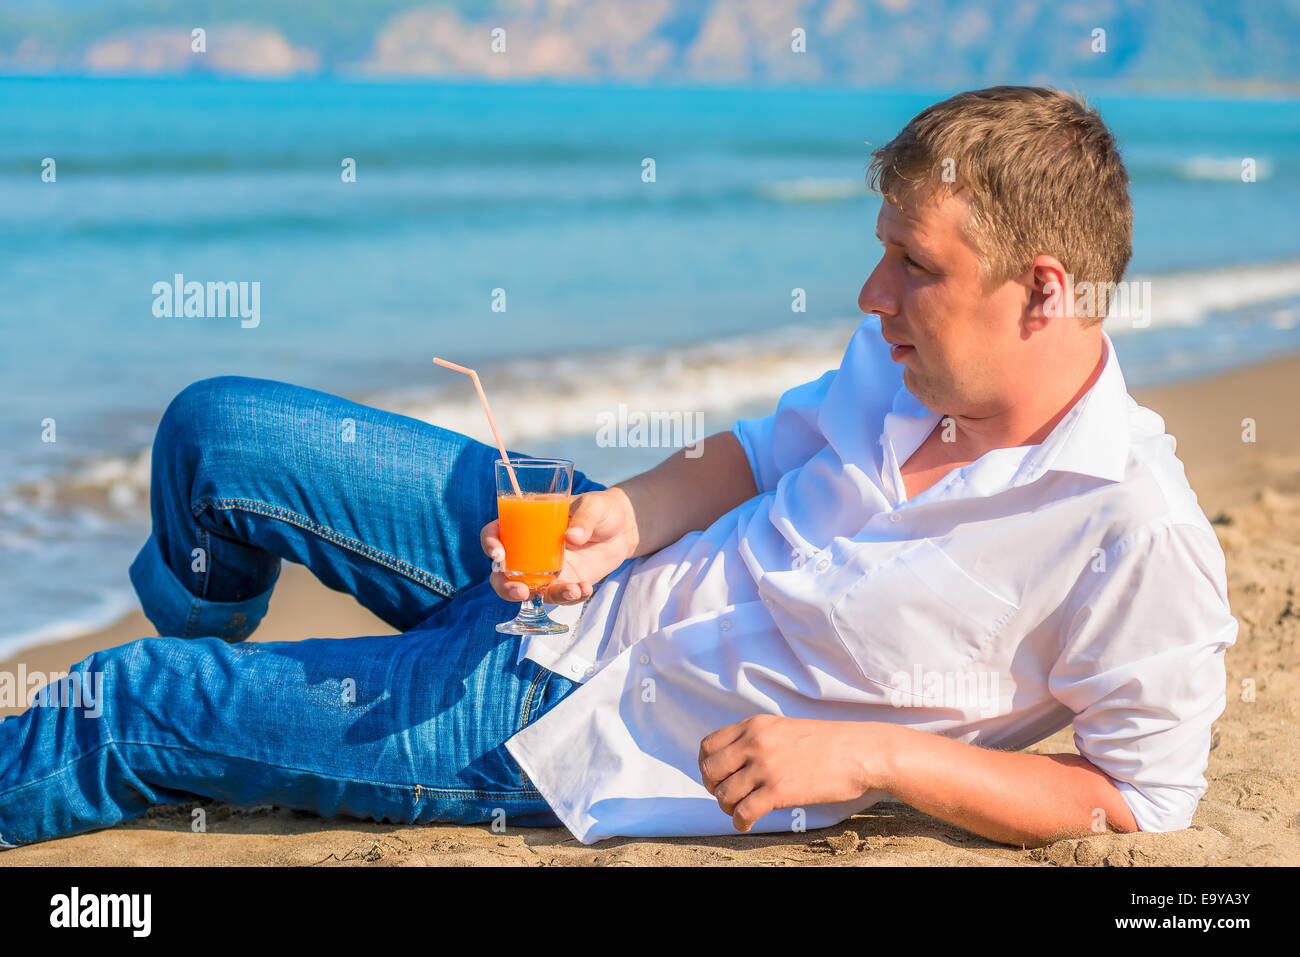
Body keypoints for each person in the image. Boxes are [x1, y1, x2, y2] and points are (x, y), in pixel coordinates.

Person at [0, 86, 1235, 850]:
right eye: (880, 256)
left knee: (130, 703)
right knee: (216, 431)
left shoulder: (1132, 530)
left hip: (569, 720)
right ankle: (241, 668)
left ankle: (218, 709)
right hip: (585, 562)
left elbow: (1140, 801)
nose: (873, 298)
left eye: (914, 266)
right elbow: (756, 453)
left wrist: (869, 758)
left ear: (1045, 293)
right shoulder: (904, 363)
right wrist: (625, 513)